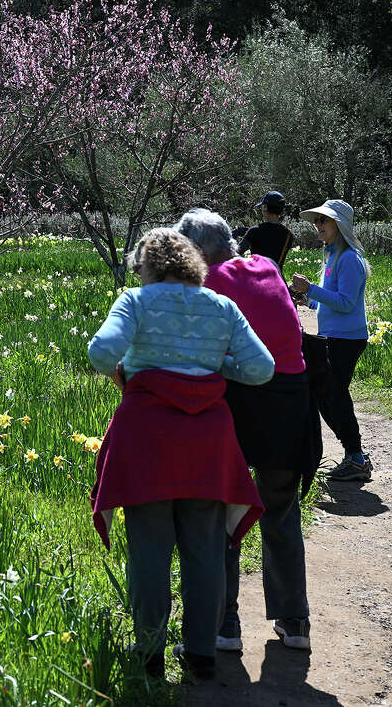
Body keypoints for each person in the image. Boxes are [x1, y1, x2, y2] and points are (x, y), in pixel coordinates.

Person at [87, 227, 273, 682]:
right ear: (194, 264)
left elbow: (100, 353)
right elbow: (262, 368)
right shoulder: (222, 306)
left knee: (149, 551)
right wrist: (213, 366)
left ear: (147, 267)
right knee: (206, 550)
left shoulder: (135, 301)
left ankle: (150, 651)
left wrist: (131, 364)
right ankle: (202, 652)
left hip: (147, 436)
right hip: (207, 441)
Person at [177, 208, 317, 652]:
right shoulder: (267, 268)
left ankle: (224, 625)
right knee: (280, 509)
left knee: (221, 512)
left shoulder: (209, 284)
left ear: (197, 252)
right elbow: (289, 332)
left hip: (243, 401)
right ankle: (294, 623)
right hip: (293, 401)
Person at [289, 199, 372, 482]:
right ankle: (354, 455)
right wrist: (305, 298)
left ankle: (356, 456)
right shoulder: (333, 255)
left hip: (346, 339)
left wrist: (310, 288)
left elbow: (347, 303)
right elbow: (329, 302)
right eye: (317, 221)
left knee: (333, 396)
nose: (318, 226)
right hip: (334, 336)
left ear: (339, 224)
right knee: (327, 395)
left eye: (324, 220)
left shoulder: (349, 258)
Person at [240, 191, 294, 272]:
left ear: (265, 207)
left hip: (257, 278)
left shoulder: (255, 231)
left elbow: (237, 251)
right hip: (277, 280)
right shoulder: (289, 235)